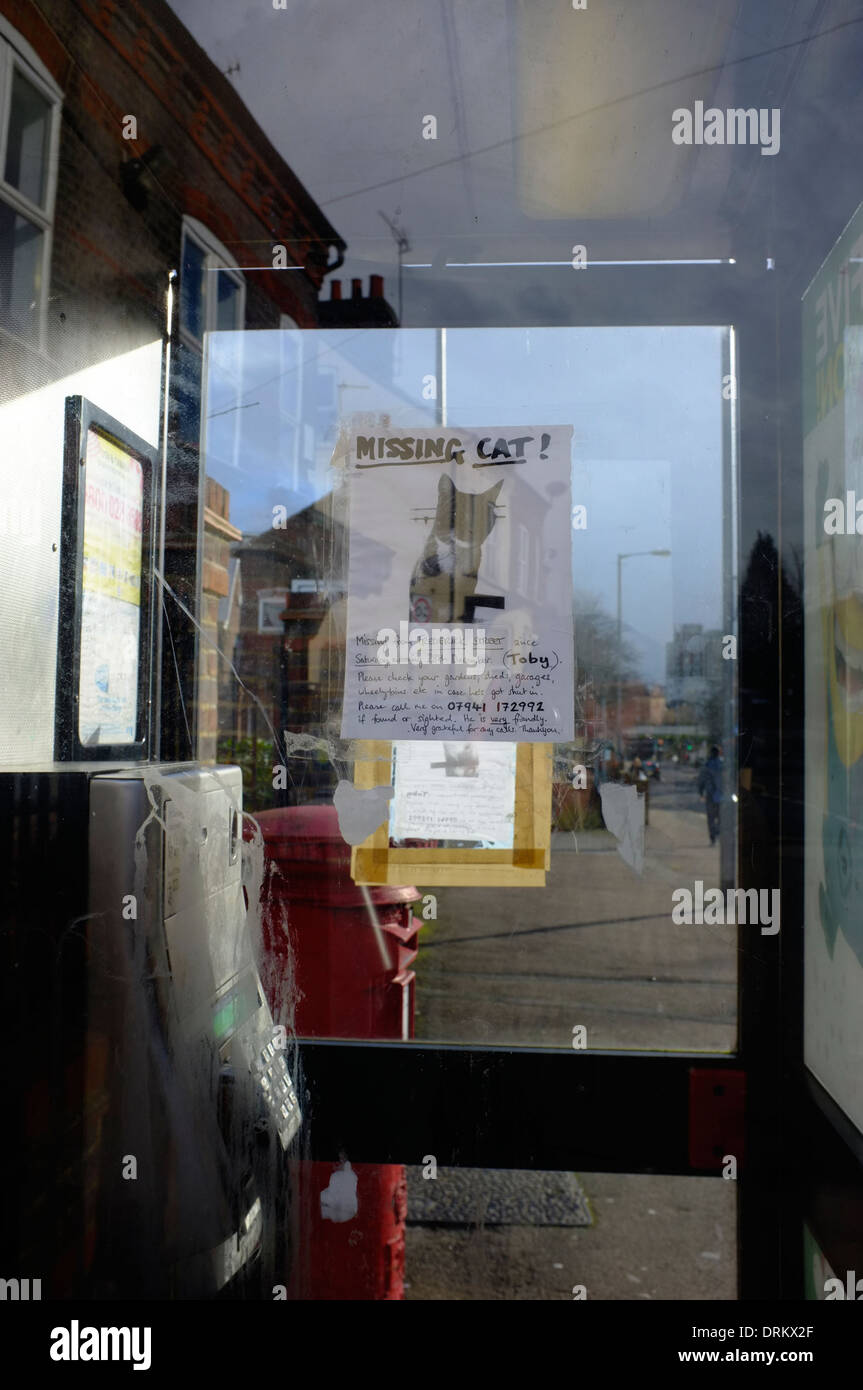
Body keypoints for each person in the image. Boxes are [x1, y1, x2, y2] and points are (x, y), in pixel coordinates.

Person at [697, 745, 723, 845]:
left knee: (711, 818)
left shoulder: (706, 766)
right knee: (721, 817)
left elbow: (701, 781)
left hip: (711, 796)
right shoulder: (723, 764)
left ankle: (713, 836)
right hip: (722, 796)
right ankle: (716, 831)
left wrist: (700, 792)